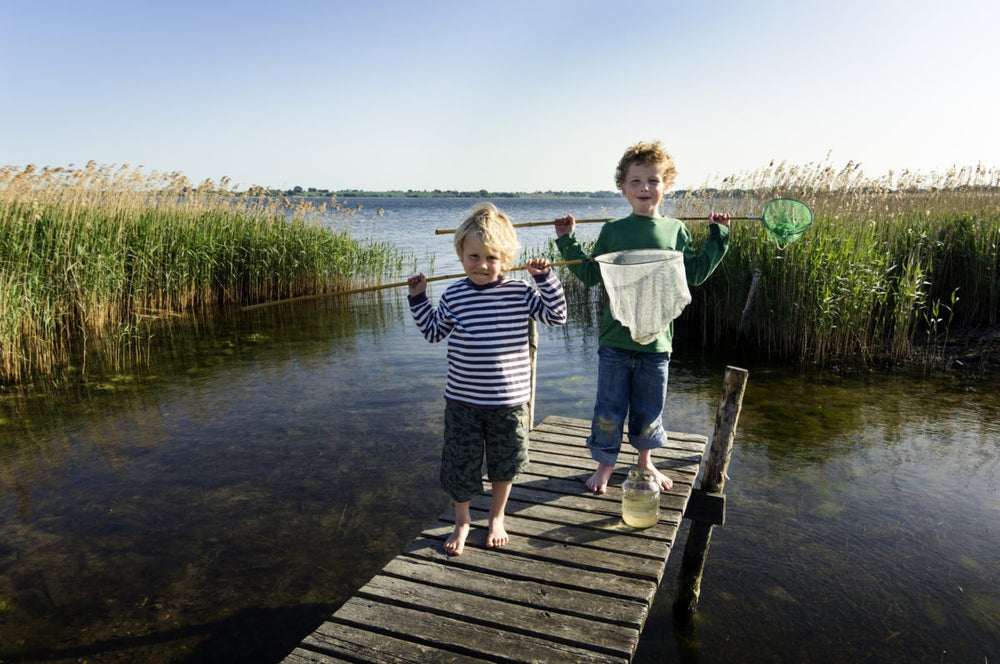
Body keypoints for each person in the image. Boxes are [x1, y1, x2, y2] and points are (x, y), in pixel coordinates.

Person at [553, 140, 730, 495]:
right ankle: (605, 464)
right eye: (635, 181)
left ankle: (645, 461)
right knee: (609, 408)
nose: (644, 188)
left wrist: (718, 236)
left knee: (649, 408)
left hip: (658, 341)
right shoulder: (613, 231)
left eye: (652, 180)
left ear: (666, 186)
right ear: (622, 188)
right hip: (615, 340)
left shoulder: (676, 230)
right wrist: (567, 241)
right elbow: (590, 275)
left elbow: (693, 274)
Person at [408, 202, 567, 555]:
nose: (482, 265)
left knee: (504, 462)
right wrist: (418, 299)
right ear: (461, 255)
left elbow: (557, 316)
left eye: (492, 258)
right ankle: (462, 520)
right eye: (474, 256)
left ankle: (497, 516)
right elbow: (434, 332)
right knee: (460, 463)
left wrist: (545, 279)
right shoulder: (454, 295)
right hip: (462, 401)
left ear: (506, 258)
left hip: (508, 402)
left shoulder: (521, 292)